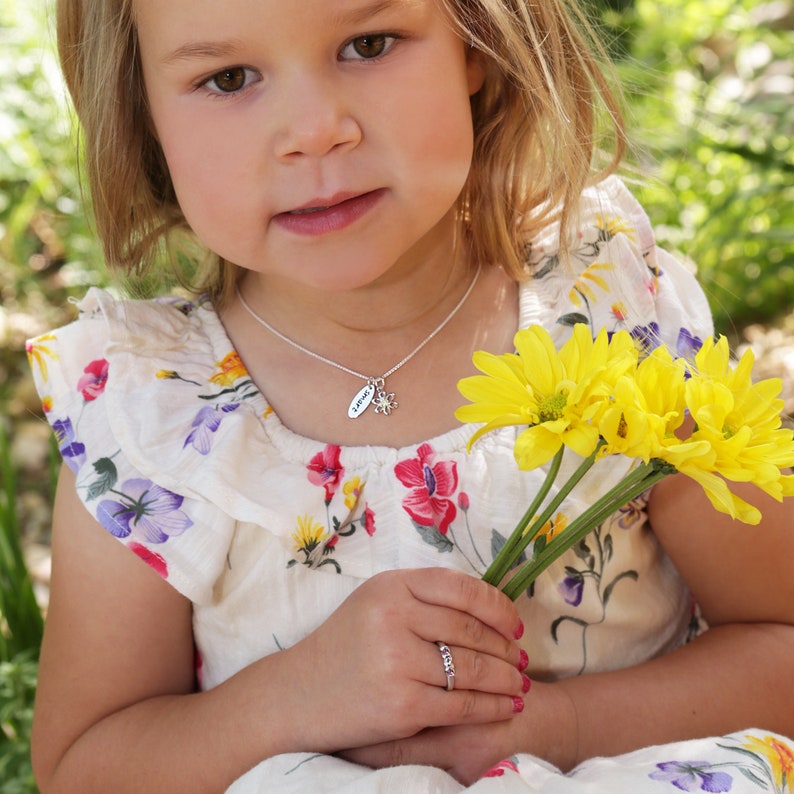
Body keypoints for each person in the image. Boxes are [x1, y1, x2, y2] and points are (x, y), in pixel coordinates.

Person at [27, 0, 794, 791]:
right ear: (142, 112)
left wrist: (561, 727)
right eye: (228, 77)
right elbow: (85, 766)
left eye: (368, 43)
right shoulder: (150, 409)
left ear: (477, 43)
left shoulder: (609, 315)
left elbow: (780, 638)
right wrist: (291, 697)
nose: (315, 129)